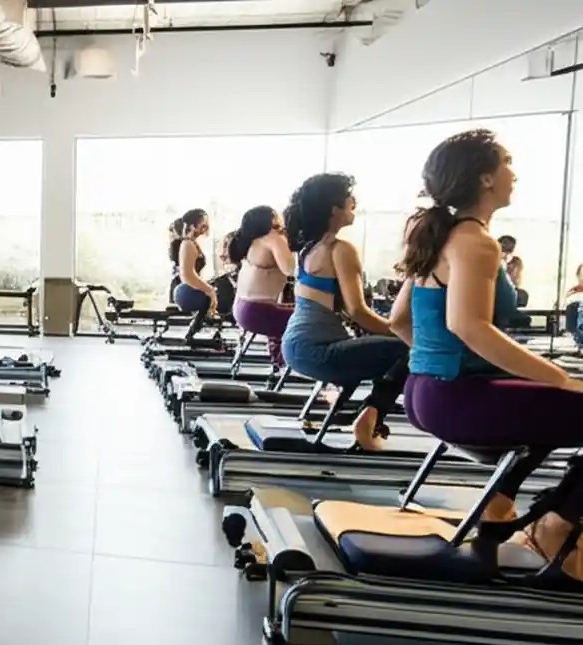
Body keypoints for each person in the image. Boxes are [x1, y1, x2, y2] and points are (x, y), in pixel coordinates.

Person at [396, 129, 583, 588]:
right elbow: (469, 326)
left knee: (545, 406)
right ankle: (556, 525)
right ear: (484, 178)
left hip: (422, 389)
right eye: (508, 163)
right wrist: (559, 377)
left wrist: (437, 361)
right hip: (455, 397)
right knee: (561, 395)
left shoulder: (438, 235)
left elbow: (402, 319)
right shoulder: (476, 242)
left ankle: (502, 499)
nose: (514, 174)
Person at [280, 173, 410, 451]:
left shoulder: (308, 248)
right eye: (349, 197)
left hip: (295, 347)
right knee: (409, 352)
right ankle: (370, 416)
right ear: (333, 209)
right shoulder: (340, 249)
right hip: (320, 352)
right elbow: (357, 311)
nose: (355, 201)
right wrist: (406, 334)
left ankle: (369, 415)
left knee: (386, 350)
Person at [229, 206, 296, 367]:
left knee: (291, 309)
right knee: (313, 317)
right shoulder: (274, 239)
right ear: (271, 219)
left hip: (241, 309)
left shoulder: (254, 242)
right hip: (258, 312)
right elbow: (291, 269)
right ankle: (299, 361)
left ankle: (279, 355)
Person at [169, 209, 216, 314]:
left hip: (191, 287)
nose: (206, 228)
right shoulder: (188, 244)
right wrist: (209, 290)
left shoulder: (192, 243)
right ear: (192, 226)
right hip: (186, 289)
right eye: (203, 224)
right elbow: (187, 275)